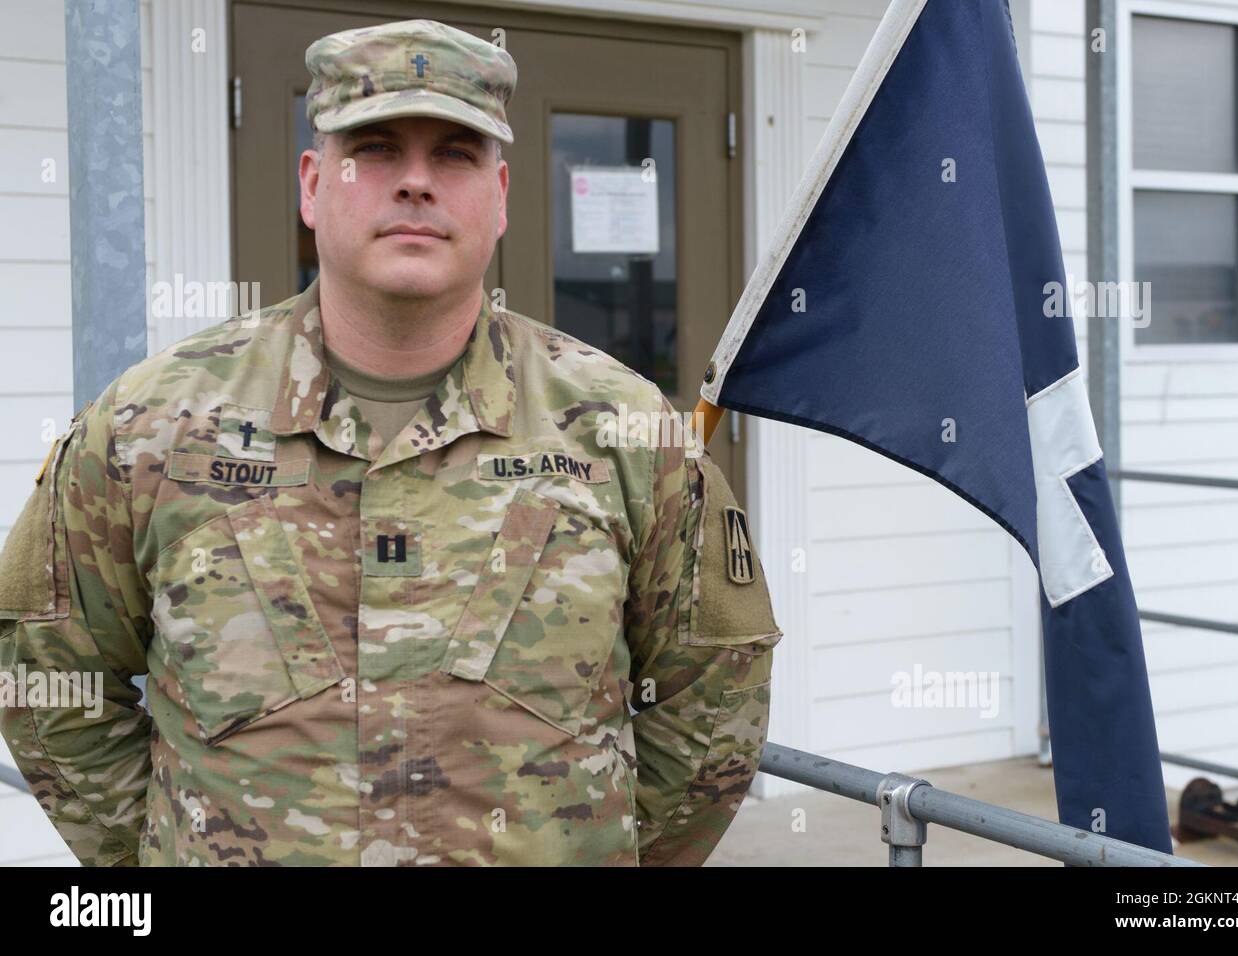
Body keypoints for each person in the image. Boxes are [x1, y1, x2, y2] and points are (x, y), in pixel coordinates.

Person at [0, 18, 781, 866]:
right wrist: (161, 853)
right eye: (372, 149)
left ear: (502, 193)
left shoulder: (623, 432)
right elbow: (51, 677)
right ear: (311, 184)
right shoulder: (150, 427)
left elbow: (713, 697)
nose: (415, 182)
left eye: (455, 153)